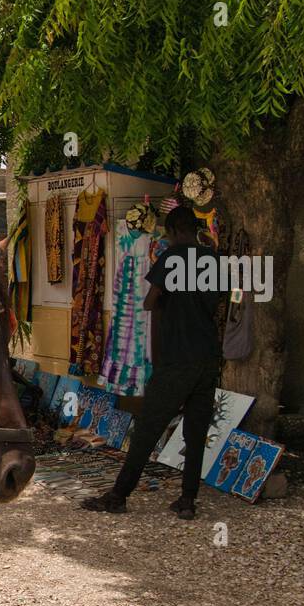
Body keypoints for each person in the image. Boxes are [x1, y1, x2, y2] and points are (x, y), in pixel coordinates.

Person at [81, 205, 223, 520]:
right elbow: (215, 302)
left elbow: (149, 300)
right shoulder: (213, 259)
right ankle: (187, 500)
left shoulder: (172, 258)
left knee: (147, 429)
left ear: (172, 232)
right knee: (196, 432)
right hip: (207, 358)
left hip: (176, 359)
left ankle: (118, 495)